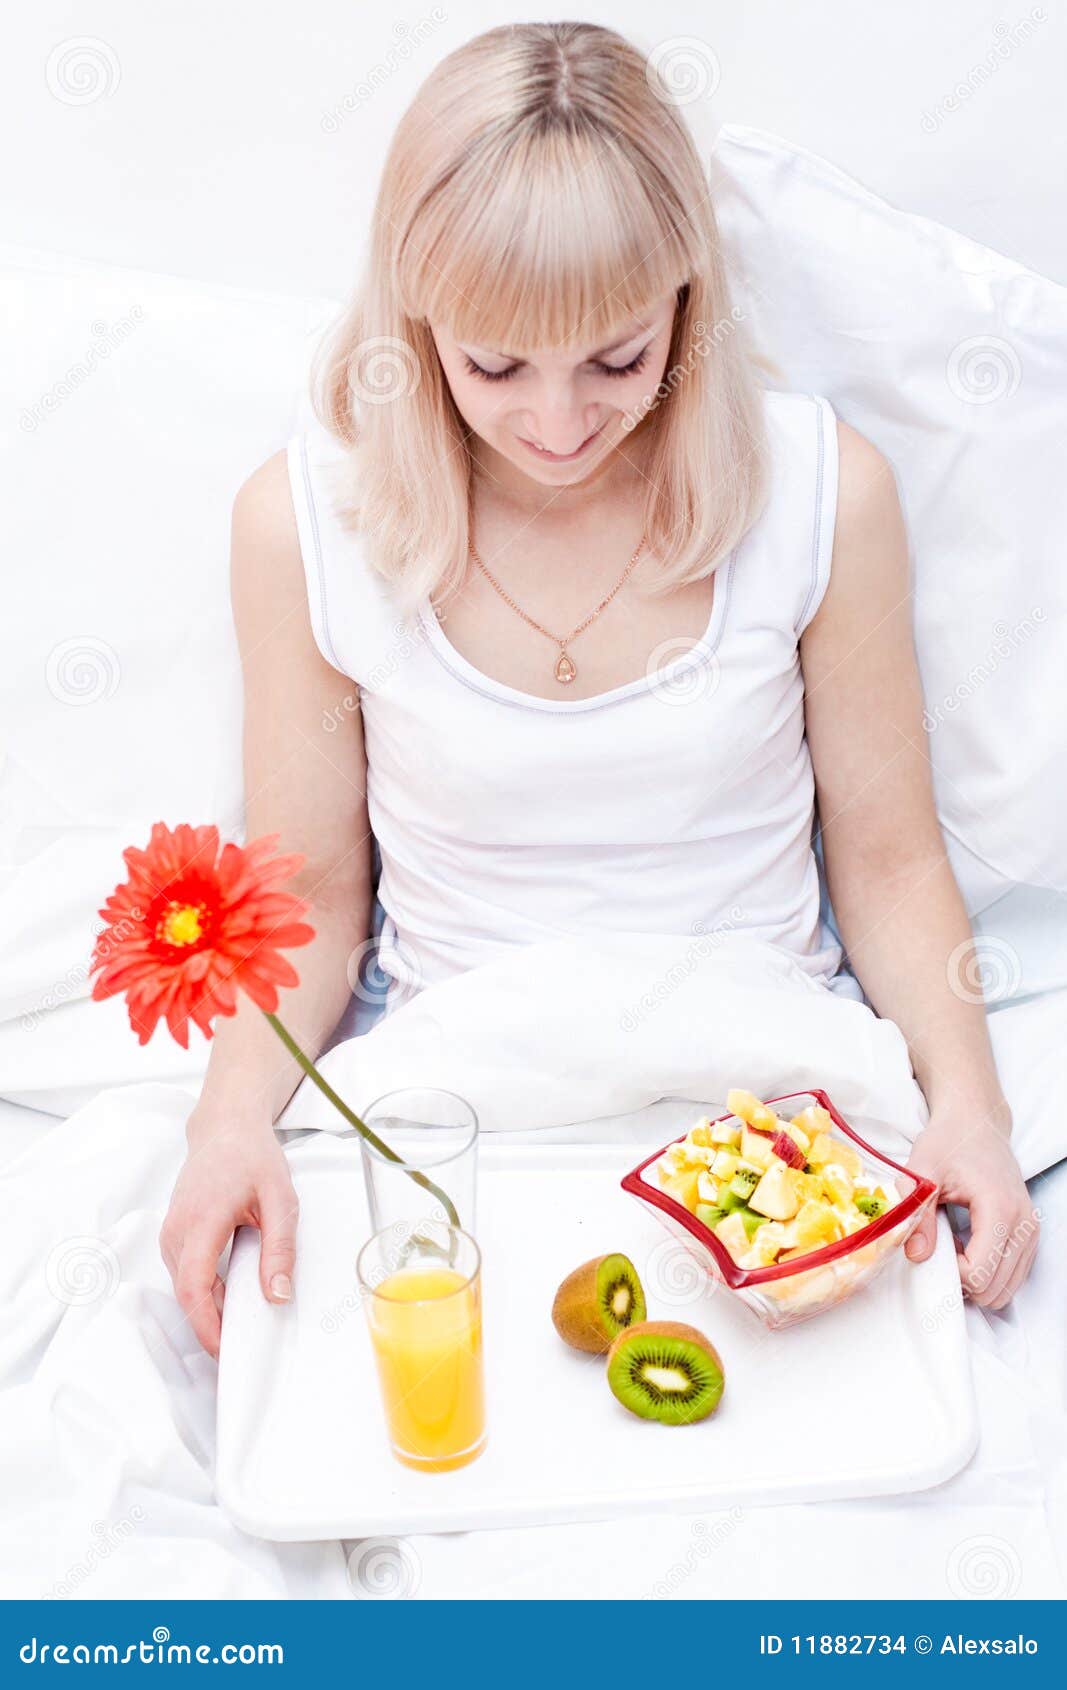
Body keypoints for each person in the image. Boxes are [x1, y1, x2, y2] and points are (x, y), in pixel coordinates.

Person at [159, 21, 1037, 1357]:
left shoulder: (823, 493)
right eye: (495, 365)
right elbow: (311, 896)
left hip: (770, 1096)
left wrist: (970, 1106)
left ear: (687, 301)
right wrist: (228, 1124)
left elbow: (894, 861)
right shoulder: (302, 526)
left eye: (617, 360)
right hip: (464, 1104)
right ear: (415, 320)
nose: (560, 425)